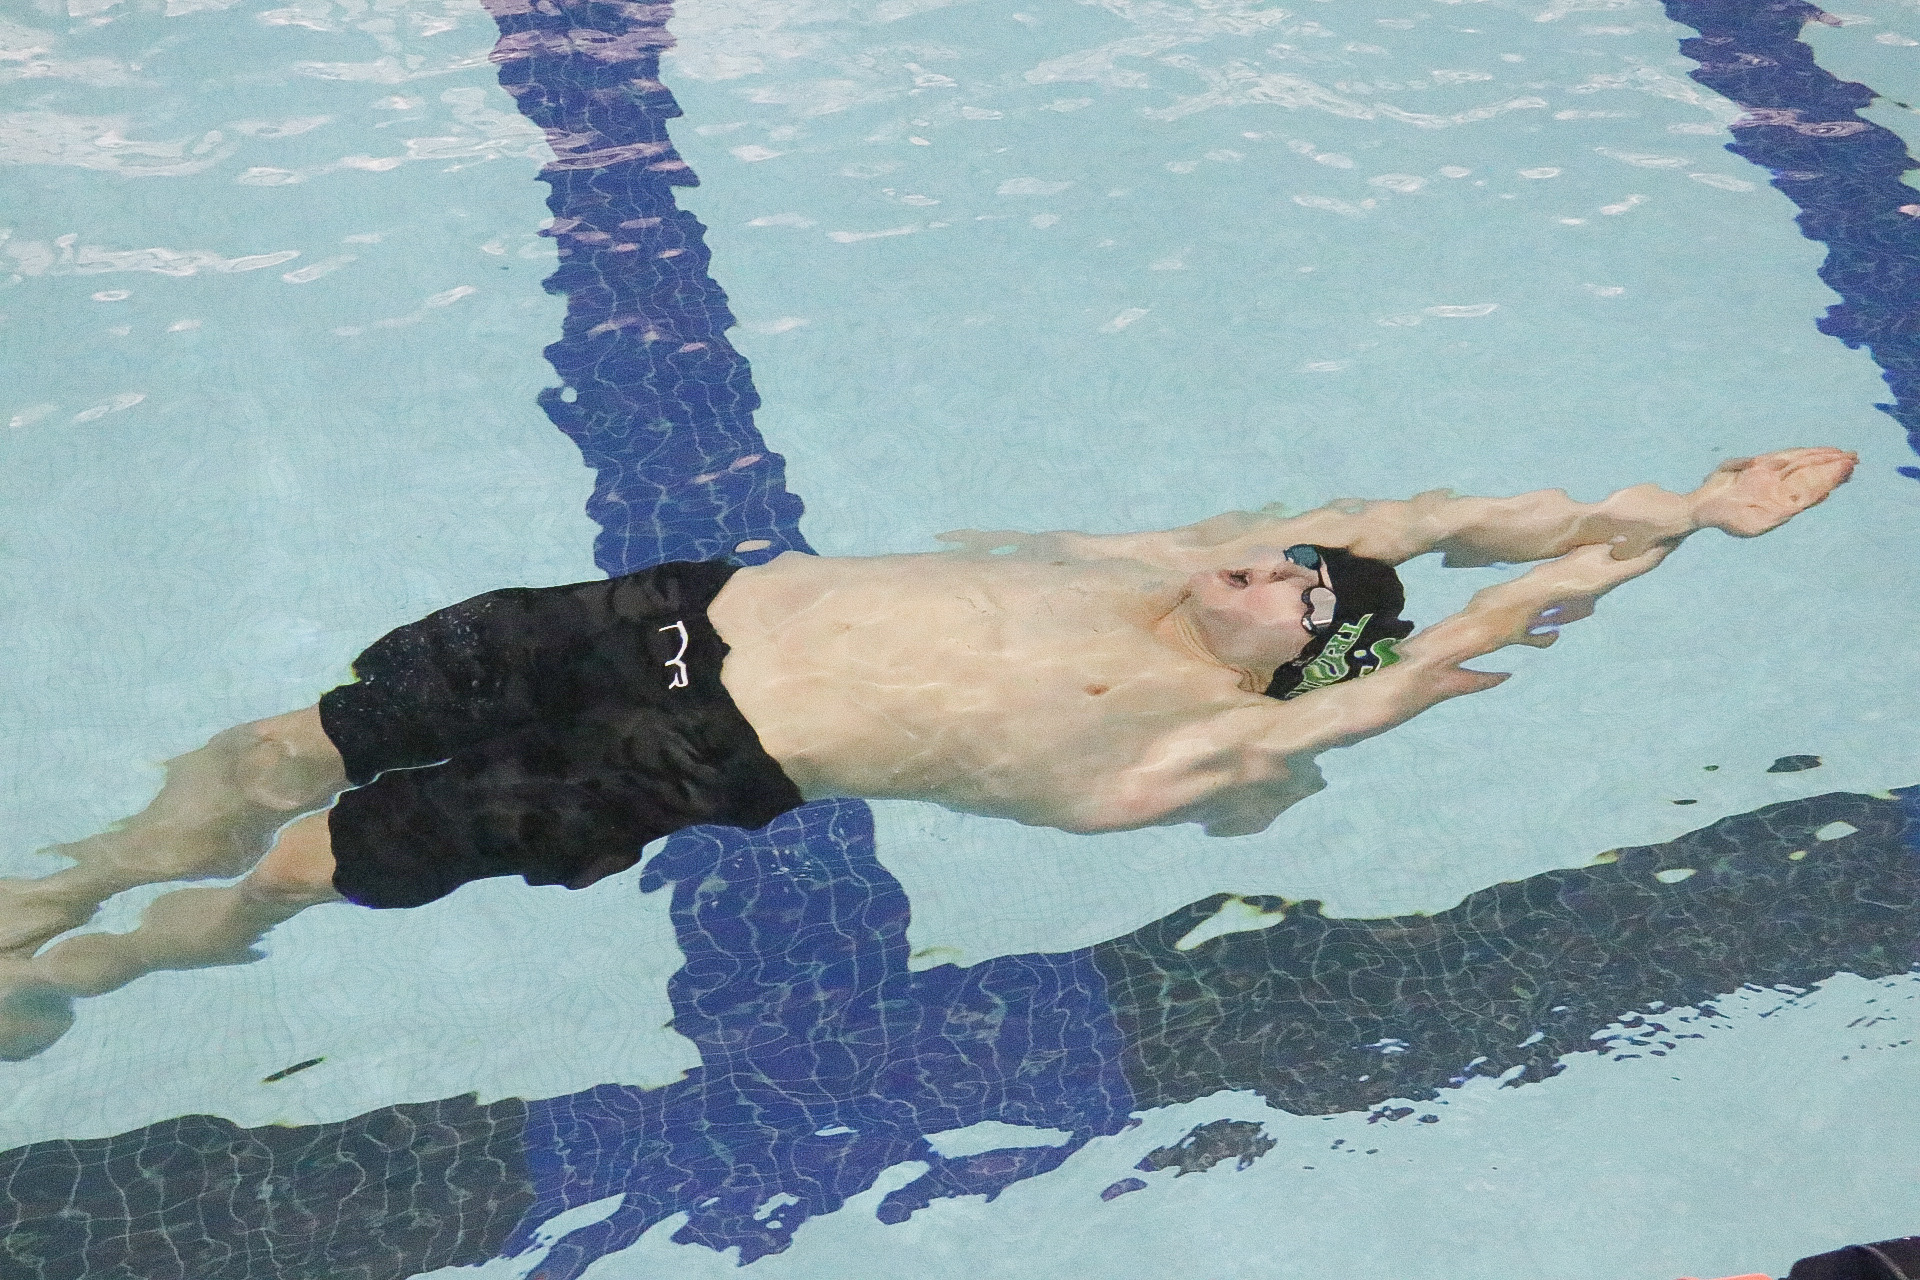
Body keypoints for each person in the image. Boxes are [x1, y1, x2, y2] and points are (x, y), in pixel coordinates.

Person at [0, 446, 1857, 1058]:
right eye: (1289, 558)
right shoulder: (1148, 571)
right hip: (650, 603)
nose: (1285, 564)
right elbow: (1429, 520)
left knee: (326, 858)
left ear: (1315, 672)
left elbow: (1464, 636)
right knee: (285, 741)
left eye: (1309, 594)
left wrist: (1671, 550)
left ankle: (123, 953)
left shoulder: (1214, 728)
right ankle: (73, 875)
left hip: (690, 756)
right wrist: (1670, 486)